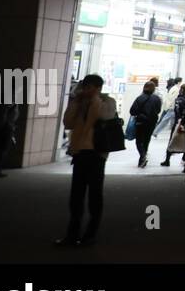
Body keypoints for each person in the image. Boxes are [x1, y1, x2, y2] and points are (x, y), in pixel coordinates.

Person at [55, 74, 117, 246]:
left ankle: (90, 235)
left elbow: (104, 116)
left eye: (90, 87)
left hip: (96, 154)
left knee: (94, 196)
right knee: (76, 196)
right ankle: (71, 235)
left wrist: (94, 99)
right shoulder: (79, 102)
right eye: (85, 87)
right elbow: (67, 122)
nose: (86, 90)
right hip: (80, 152)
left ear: (98, 88)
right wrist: (76, 102)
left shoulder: (107, 102)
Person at [128, 79, 163, 169]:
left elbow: (132, 111)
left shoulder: (140, 98)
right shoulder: (157, 98)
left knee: (139, 141)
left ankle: (142, 156)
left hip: (141, 122)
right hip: (152, 122)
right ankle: (142, 159)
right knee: (147, 140)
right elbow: (158, 110)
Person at [160, 83, 185, 167]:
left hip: (178, 123)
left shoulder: (178, 100)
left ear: (181, 90)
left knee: (172, 140)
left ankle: (167, 160)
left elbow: (176, 111)